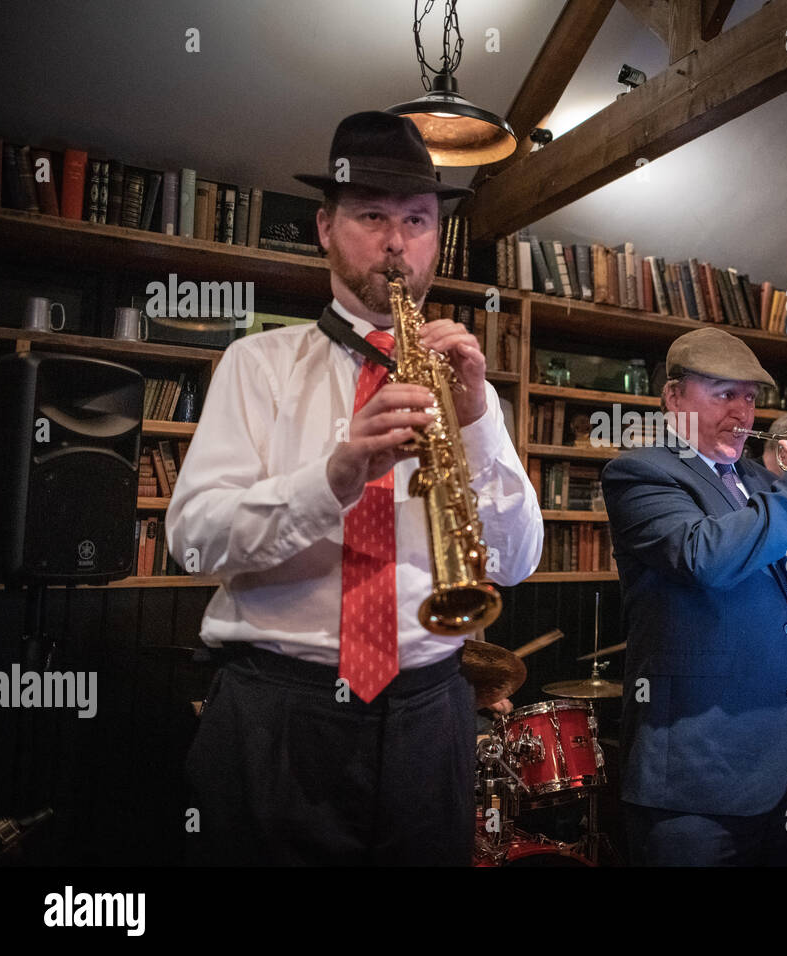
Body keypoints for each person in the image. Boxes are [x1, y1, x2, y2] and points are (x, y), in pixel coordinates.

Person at [166, 111, 543, 865]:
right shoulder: (256, 363)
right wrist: (335, 476)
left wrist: (477, 424)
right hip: (278, 715)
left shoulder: (464, 386)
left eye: (416, 219)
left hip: (430, 711)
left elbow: (516, 561)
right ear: (324, 229)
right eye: (371, 215)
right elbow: (193, 540)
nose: (397, 241)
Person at [601, 327, 787, 865]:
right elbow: (706, 558)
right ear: (674, 396)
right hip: (696, 772)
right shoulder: (641, 474)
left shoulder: (761, 478)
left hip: (781, 763)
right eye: (723, 393)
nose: (742, 412)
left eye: (749, 397)